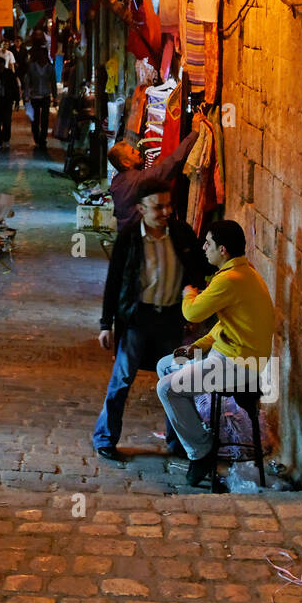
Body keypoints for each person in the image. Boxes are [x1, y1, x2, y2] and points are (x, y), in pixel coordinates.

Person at [156, 219, 276, 487]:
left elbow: (192, 312)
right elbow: (227, 324)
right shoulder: (243, 274)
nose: (203, 247)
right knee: (166, 364)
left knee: (166, 388)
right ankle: (185, 437)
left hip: (239, 364)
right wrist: (199, 345)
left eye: (208, 243)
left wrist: (188, 292)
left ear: (222, 250)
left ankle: (201, 451)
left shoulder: (231, 279)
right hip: (224, 355)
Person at [93, 184, 209, 460]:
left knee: (176, 382)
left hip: (171, 320)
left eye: (168, 205)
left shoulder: (181, 234)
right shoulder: (130, 239)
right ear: (141, 209)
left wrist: (195, 312)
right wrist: (105, 324)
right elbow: (114, 282)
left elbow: (197, 270)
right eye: (158, 207)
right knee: (121, 380)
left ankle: (178, 442)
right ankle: (105, 438)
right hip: (137, 319)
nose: (166, 211)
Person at [108, 123, 200, 231]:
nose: (138, 152)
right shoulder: (137, 180)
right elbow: (174, 161)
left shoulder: (117, 181)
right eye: (133, 152)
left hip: (125, 235)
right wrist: (195, 132)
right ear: (126, 162)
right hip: (138, 237)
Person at [24, 42, 57, 151]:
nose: (42, 57)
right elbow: (27, 82)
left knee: (45, 119)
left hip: (46, 96)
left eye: (44, 55)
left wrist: (55, 96)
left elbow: (53, 82)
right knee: (35, 119)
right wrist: (26, 96)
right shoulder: (32, 67)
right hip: (35, 96)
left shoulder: (50, 68)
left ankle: (42, 138)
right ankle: (36, 137)